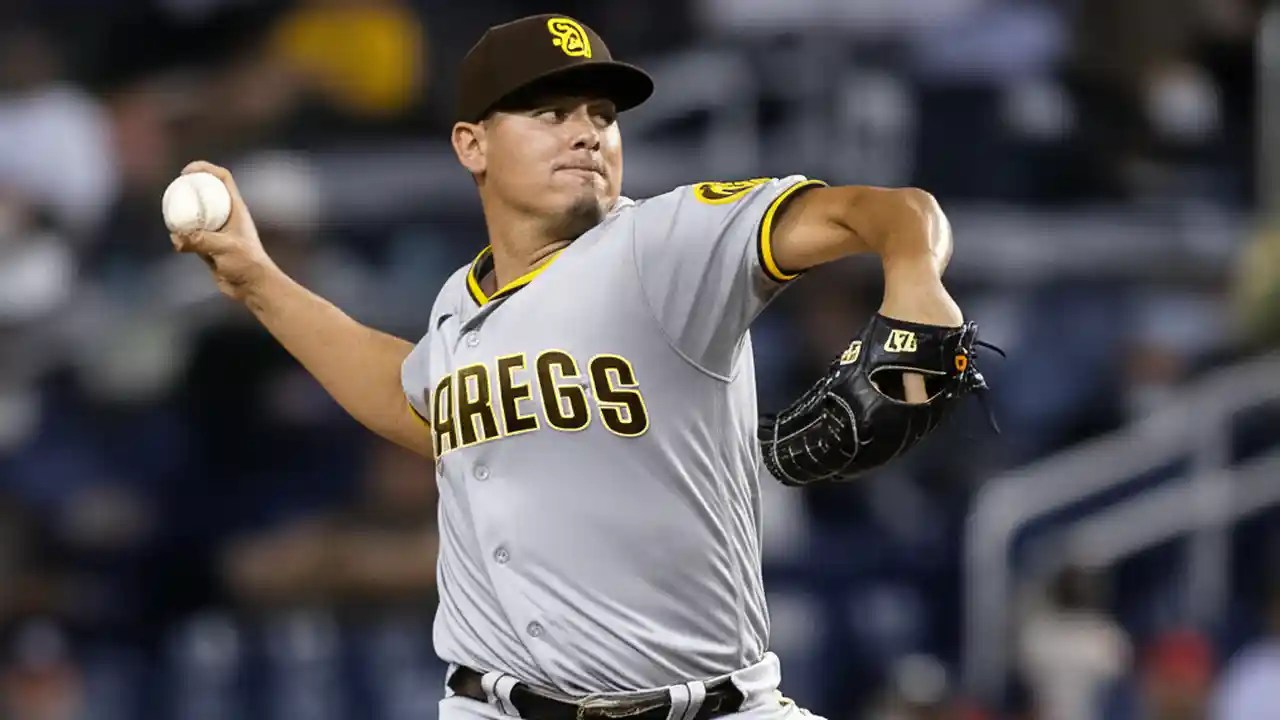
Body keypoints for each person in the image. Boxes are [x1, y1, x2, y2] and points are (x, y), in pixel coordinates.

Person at [168, 13, 967, 720]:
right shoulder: (459, 303)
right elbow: (420, 407)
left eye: (601, 114)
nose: (586, 132)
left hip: (709, 705)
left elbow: (890, 212)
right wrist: (255, 281)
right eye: (549, 112)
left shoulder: (666, 242)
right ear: (471, 145)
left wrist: (917, 285)